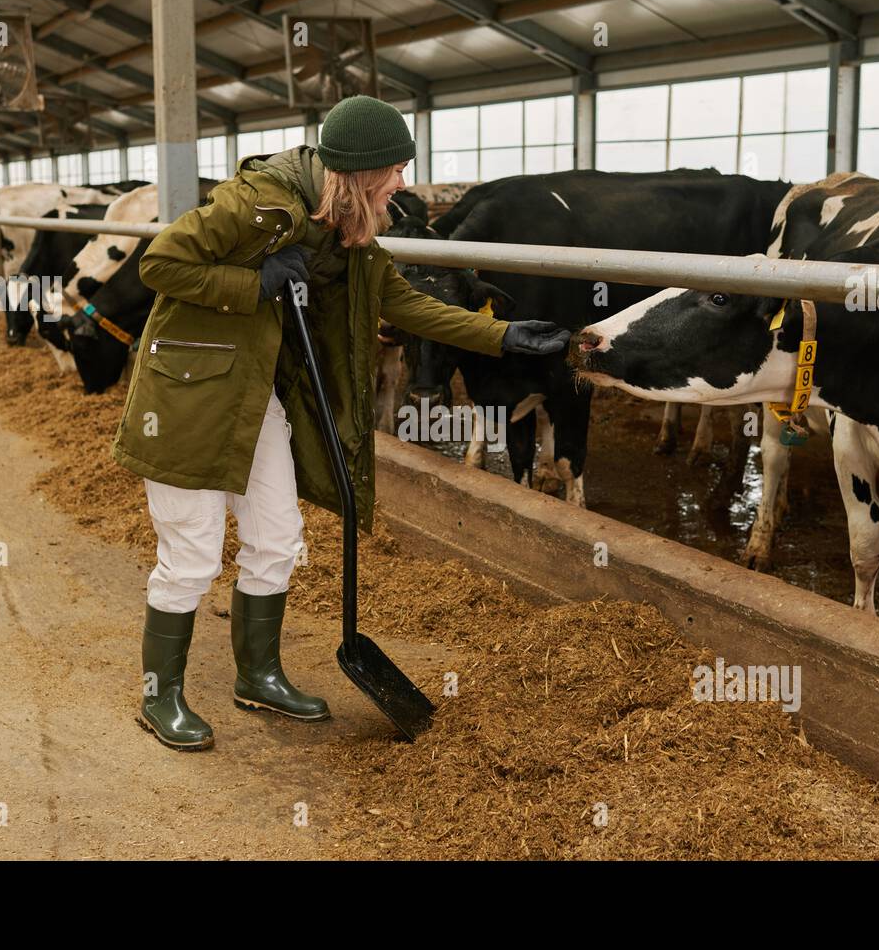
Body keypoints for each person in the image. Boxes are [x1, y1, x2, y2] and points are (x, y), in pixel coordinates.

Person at [110, 95, 570, 750]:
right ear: (360, 173)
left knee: (277, 535)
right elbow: (159, 263)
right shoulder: (256, 206)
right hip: (188, 395)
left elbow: (402, 303)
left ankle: (259, 673)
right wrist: (256, 282)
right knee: (192, 553)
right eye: (396, 169)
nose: (405, 183)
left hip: (255, 396)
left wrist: (500, 336)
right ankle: (161, 698)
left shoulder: (344, 233)